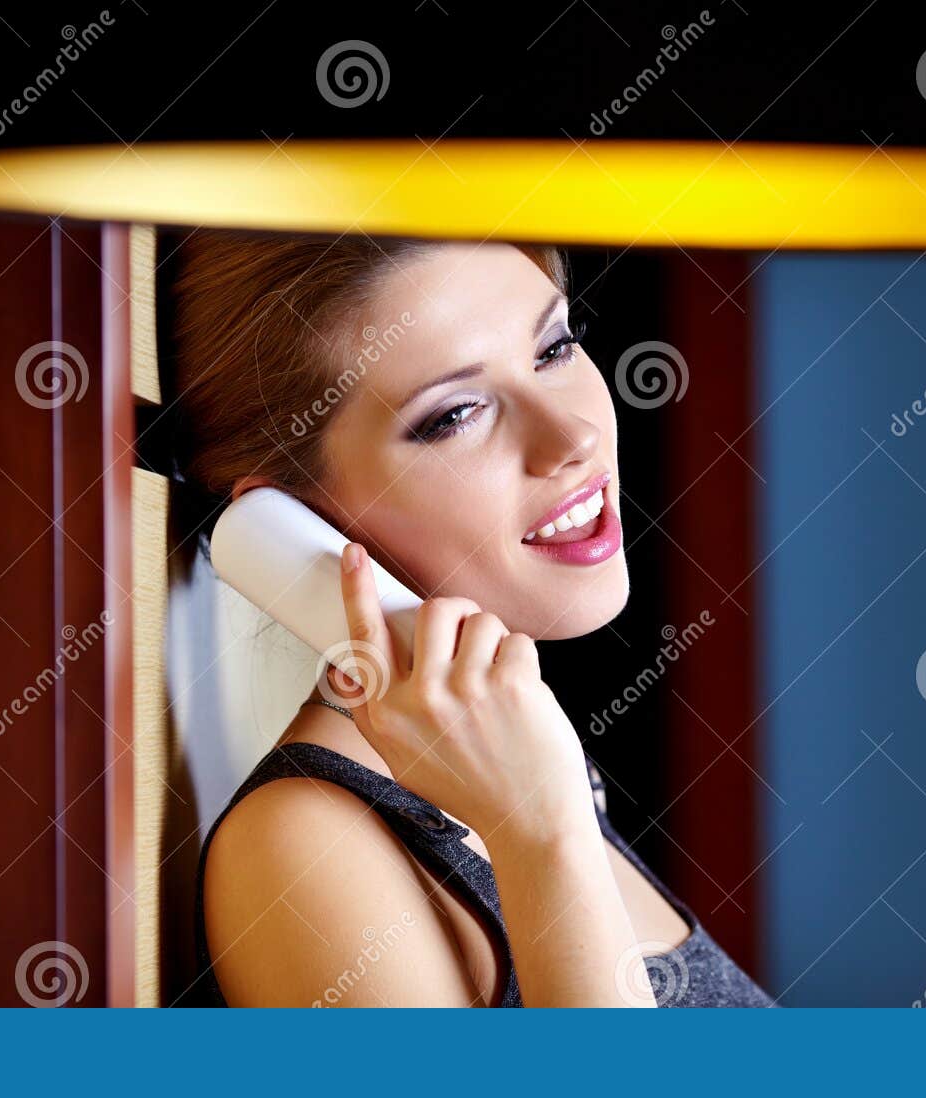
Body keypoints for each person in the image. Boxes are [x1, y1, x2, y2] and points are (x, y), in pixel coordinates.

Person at [164, 229, 773, 1007]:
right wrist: (541, 834)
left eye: (553, 347)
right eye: (455, 414)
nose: (574, 436)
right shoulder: (309, 851)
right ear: (288, 522)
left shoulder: (518, 757)